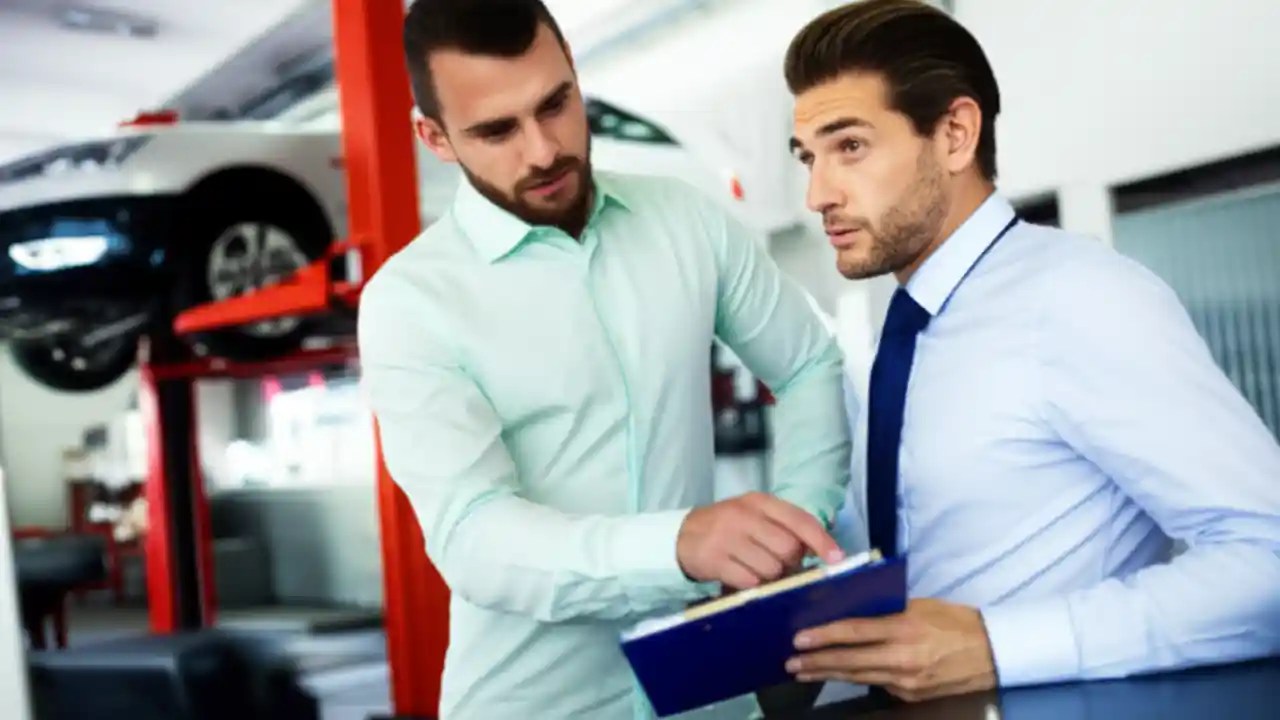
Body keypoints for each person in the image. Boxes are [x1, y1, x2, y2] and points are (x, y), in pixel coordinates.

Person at [357, 1, 852, 718]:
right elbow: (474, 535)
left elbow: (808, 365)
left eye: (555, 104)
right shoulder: (409, 304)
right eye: (497, 130)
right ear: (433, 137)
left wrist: (793, 529)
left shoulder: (685, 220)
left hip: (709, 698)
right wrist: (676, 546)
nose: (543, 150)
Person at [779, 0, 1280, 706]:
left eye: (850, 147)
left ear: (955, 135)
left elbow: (1269, 557)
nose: (816, 193)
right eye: (810, 157)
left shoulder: (1082, 298)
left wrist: (997, 644)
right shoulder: (902, 337)